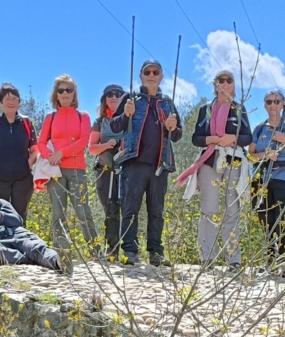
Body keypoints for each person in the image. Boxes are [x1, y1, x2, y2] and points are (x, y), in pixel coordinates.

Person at [109, 60, 181, 266]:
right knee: (130, 208)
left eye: (155, 72)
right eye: (147, 72)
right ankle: (130, 251)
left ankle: (156, 252)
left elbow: (177, 135)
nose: (151, 75)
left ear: (161, 77)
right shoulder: (130, 98)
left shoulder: (167, 103)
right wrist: (126, 114)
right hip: (134, 163)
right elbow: (114, 126)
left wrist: (173, 127)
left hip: (161, 164)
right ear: (140, 76)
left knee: (156, 210)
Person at [184, 69, 254, 266]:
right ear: (215, 85)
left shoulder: (239, 109)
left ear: (234, 85)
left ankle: (233, 259)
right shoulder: (205, 109)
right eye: (221, 80)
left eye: (229, 80)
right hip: (209, 159)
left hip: (234, 160)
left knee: (232, 209)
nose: (225, 83)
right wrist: (213, 139)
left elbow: (248, 137)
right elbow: (196, 138)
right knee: (209, 208)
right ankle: (208, 257)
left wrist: (233, 138)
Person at [36, 74, 98, 255]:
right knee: (58, 213)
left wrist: (60, 153)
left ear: (74, 94)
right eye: (61, 90)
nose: (65, 93)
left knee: (83, 212)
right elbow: (40, 143)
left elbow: (84, 141)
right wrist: (50, 156)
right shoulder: (50, 117)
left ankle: (95, 252)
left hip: (77, 170)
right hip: (55, 171)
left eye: (68, 90)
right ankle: (61, 253)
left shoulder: (83, 116)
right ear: (56, 94)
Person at [250, 88, 285, 276]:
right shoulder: (259, 129)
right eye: (269, 102)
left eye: (277, 101)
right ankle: (270, 260)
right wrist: (264, 154)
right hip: (262, 180)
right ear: (265, 105)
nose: (273, 105)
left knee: (284, 220)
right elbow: (250, 155)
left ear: (283, 104)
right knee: (267, 221)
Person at [0, 83, 38, 222]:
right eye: (7, 99)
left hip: (23, 180)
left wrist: (26, 166)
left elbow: (35, 150)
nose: (11, 102)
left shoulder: (27, 123)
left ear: (19, 102)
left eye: (14, 99)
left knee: (19, 218)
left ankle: (20, 243)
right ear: (1, 102)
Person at [89, 84, 127, 259]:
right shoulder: (99, 122)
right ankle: (112, 250)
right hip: (105, 171)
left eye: (118, 94)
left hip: (126, 170)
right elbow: (92, 148)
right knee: (110, 210)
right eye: (109, 94)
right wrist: (107, 145)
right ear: (104, 100)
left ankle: (129, 250)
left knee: (128, 209)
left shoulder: (130, 119)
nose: (113, 97)